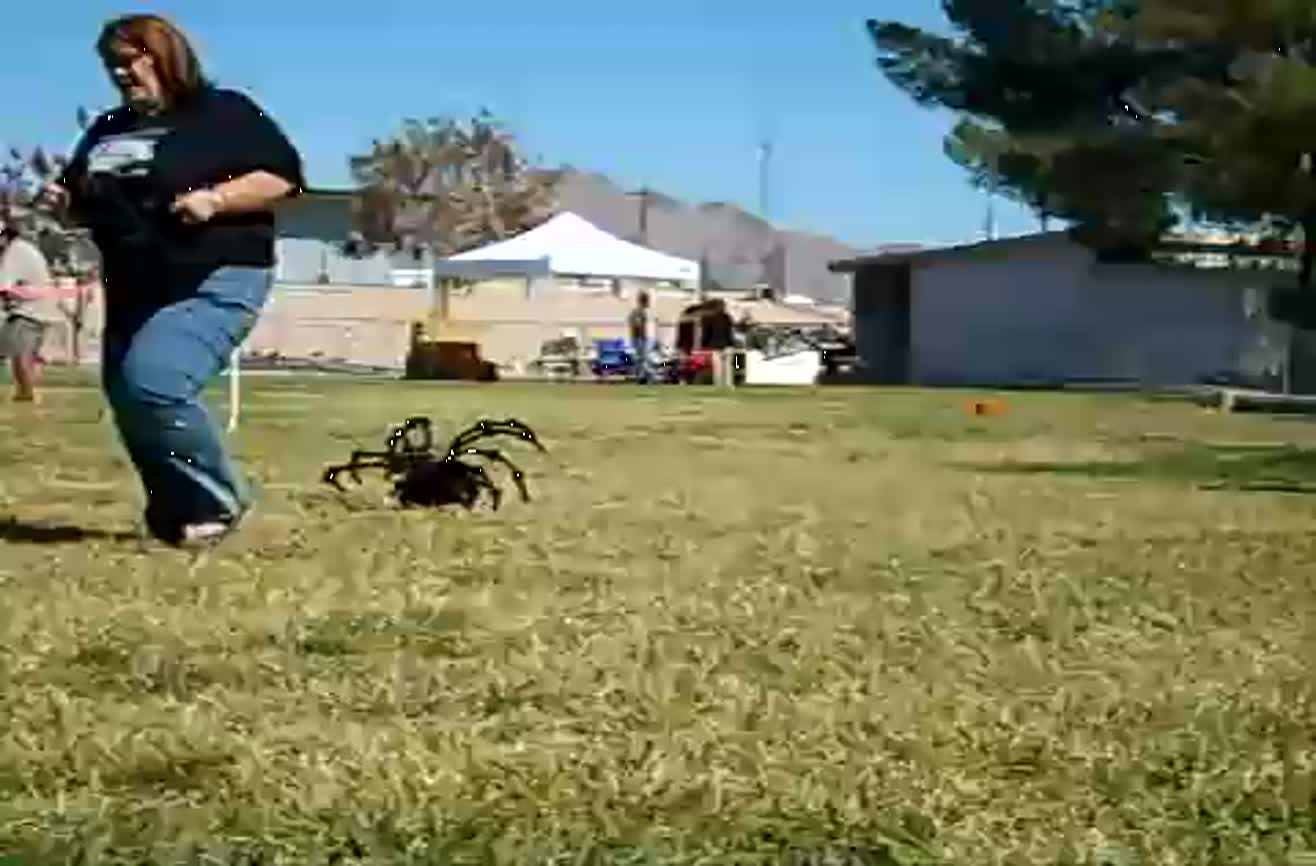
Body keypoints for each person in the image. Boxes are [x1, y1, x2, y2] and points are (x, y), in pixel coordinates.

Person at [46, 13, 304, 548]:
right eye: (112, 66)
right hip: (136, 281)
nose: (121, 75)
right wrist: (64, 203)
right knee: (129, 400)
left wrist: (215, 200)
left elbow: (280, 177)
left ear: (165, 56)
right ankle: (178, 514)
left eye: (131, 61)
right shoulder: (108, 128)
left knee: (156, 380)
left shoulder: (224, 112)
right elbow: (79, 198)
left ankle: (218, 503)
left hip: (218, 272)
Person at [0, 212, 57, 402]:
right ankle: (26, 391)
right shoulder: (22, 249)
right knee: (21, 353)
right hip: (37, 308)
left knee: (20, 355)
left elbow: (3, 287)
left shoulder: (13, 252)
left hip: (29, 311)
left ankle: (26, 394)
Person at [627, 290, 656, 383]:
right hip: (639, 340)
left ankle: (643, 378)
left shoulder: (637, 311)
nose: (649, 303)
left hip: (638, 339)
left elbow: (631, 321)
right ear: (644, 301)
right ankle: (647, 378)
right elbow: (636, 324)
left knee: (641, 362)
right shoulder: (639, 312)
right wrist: (642, 338)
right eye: (648, 300)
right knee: (642, 361)